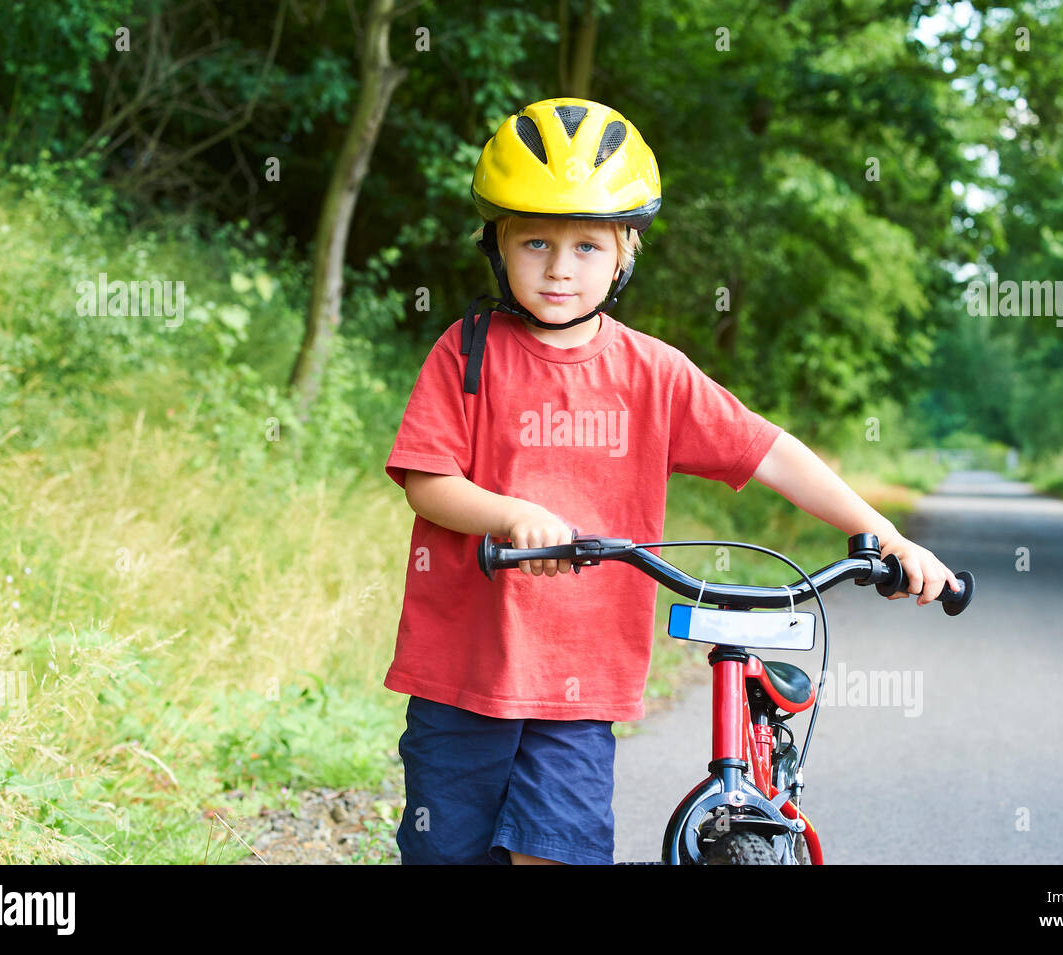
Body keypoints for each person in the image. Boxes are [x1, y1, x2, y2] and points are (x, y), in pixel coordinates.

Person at [383, 97, 962, 865]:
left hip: (580, 687)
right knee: (444, 853)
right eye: (535, 241)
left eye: (587, 245)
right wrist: (510, 514)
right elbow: (428, 480)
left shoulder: (652, 373)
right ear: (497, 243)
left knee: (557, 852)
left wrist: (882, 533)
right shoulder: (468, 353)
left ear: (624, 253)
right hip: (462, 678)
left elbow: (771, 452)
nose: (560, 266)